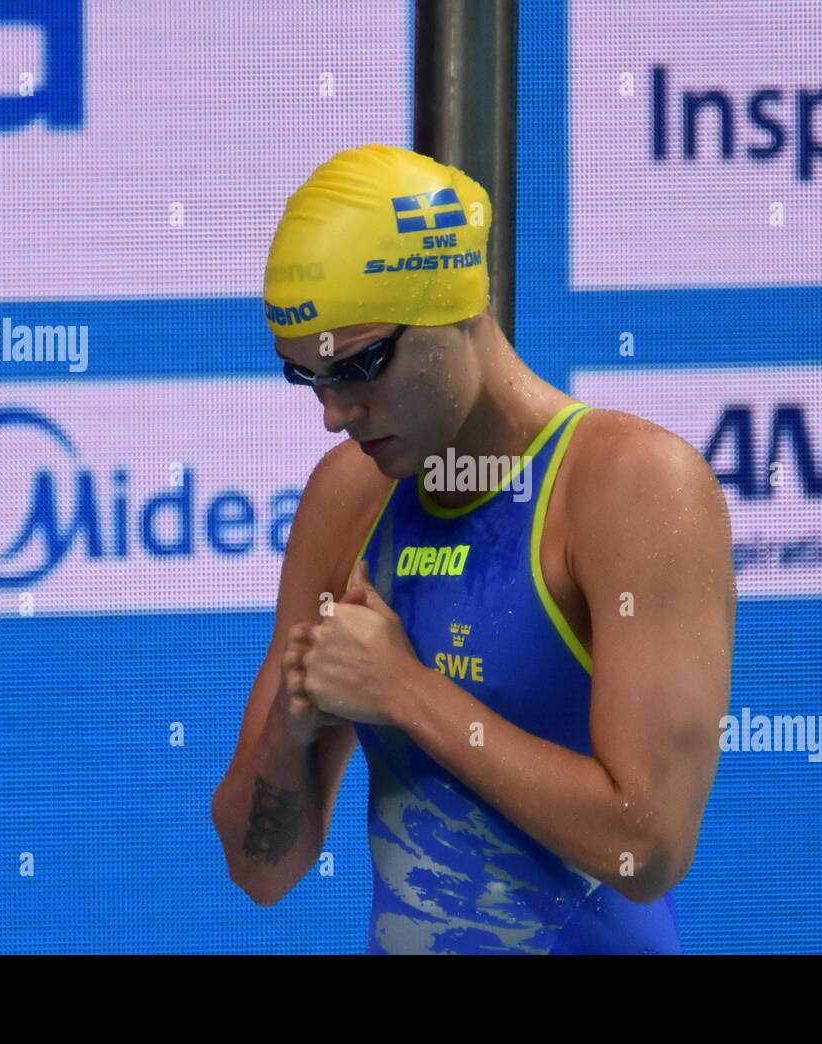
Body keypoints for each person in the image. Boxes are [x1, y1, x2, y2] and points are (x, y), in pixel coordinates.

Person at [211, 143, 736, 954]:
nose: (335, 413)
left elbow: (649, 848)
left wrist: (400, 692)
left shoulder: (630, 487)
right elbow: (262, 872)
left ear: (456, 308)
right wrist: (293, 721)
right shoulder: (348, 499)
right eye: (308, 378)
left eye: (362, 366)